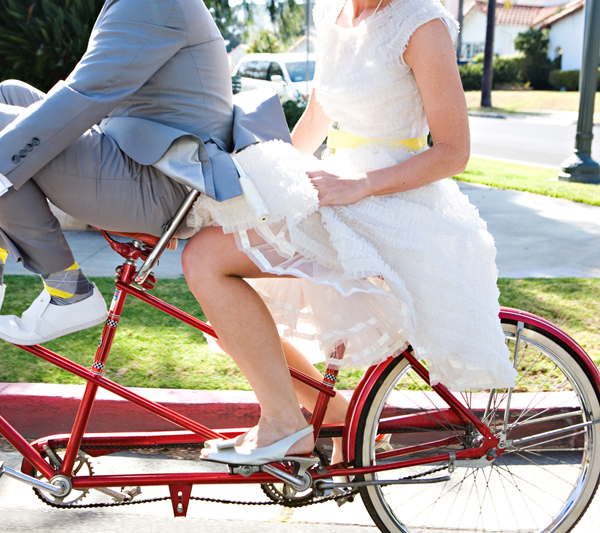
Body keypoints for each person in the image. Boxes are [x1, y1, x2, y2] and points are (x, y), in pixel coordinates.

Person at [181, 0, 518, 466]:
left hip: (390, 201)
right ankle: (339, 418)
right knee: (223, 301)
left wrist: (358, 187)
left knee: (206, 259)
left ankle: (285, 422)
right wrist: (262, 183)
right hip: (334, 186)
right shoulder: (332, 15)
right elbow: (316, 119)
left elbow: (454, 151)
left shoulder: (422, 23)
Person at [0, 0, 290, 346]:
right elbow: (80, 102)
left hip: (160, 185)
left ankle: (68, 293)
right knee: (8, 95)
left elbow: (81, 99)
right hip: (140, 159)